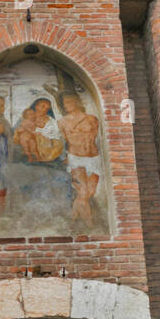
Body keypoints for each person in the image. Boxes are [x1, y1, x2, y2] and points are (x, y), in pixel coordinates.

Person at [59, 93, 101, 224]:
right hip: (76, 157)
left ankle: (73, 217)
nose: (66, 105)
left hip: (93, 157)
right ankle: (88, 224)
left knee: (90, 192)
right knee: (82, 192)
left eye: (69, 102)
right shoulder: (62, 122)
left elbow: (94, 136)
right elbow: (65, 140)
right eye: (64, 103)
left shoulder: (92, 119)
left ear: (77, 102)